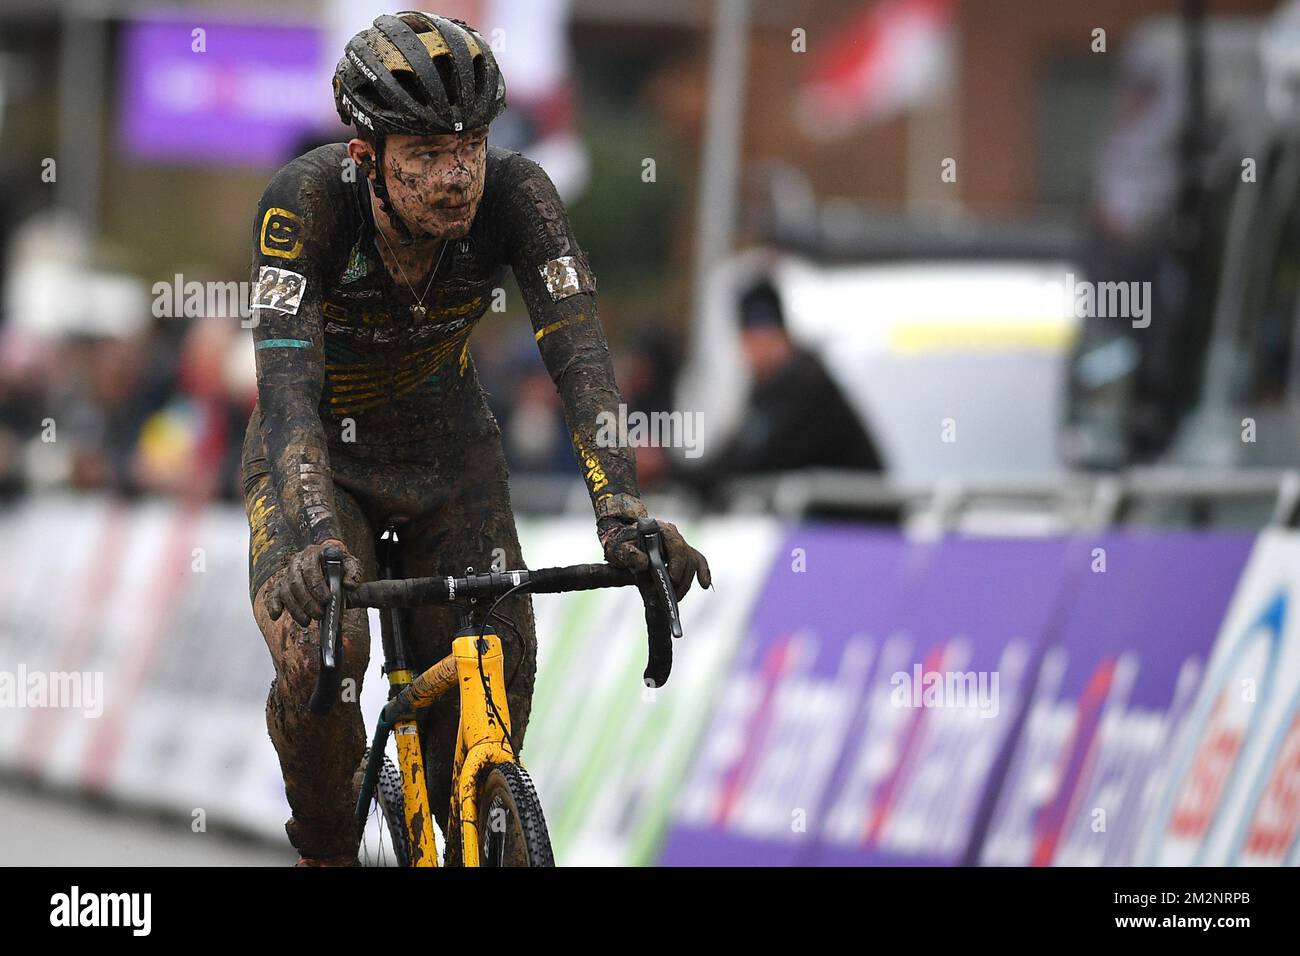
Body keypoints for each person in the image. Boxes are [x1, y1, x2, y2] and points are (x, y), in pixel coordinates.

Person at [241, 12, 710, 866]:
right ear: (366, 157)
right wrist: (313, 533)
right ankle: (323, 848)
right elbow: (286, 389)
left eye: (471, 147)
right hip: (317, 461)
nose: (456, 177)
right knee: (325, 659)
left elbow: (578, 352)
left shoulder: (518, 192)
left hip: (450, 458)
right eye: (423, 156)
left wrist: (624, 511)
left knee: (502, 654)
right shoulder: (304, 205)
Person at [679, 276, 883, 500]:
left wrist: (671, 471)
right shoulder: (781, 387)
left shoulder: (806, 388)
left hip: (860, 527)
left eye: (751, 340)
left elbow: (748, 462)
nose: (745, 352)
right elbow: (736, 457)